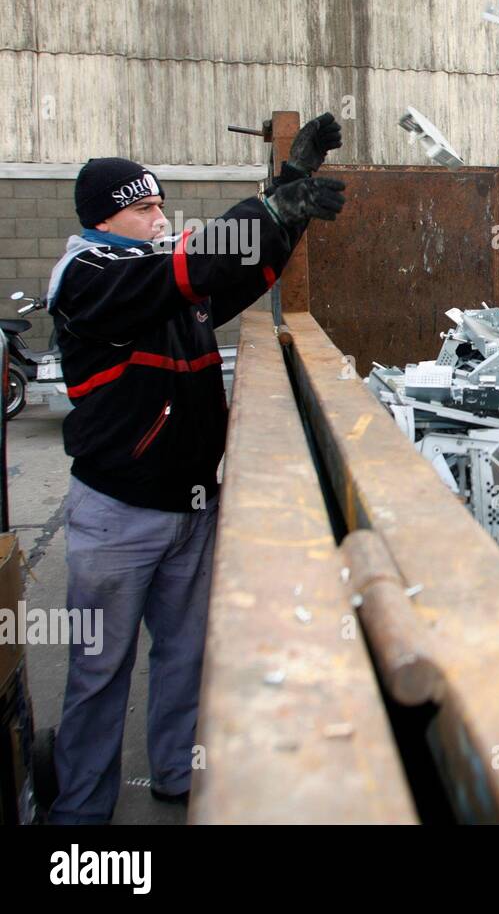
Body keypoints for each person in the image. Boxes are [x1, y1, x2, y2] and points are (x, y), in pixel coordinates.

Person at [44, 113, 347, 824]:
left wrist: (290, 194)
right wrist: (272, 204)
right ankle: (80, 817)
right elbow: (188, 267)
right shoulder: (87, 277)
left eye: (158, 206)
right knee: (97, 674)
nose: (159, 218)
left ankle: (178, 774)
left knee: (184, 656)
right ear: (106, 217)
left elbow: (232, 271)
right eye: (145, 207)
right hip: (118, 514)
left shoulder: (154, 274)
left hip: (189, 508)